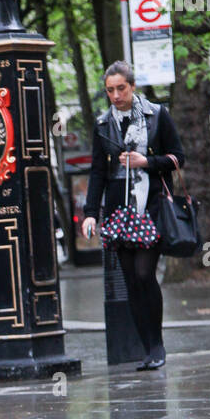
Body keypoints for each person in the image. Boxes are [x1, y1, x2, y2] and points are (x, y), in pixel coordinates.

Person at [81, 60, 185, 370]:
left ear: (133, 86)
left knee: (144, 274)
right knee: (130, 281)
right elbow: (98, 172)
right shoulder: (103, 125)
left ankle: (157, 344)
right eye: (110, 90)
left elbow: (179, 157)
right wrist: (90, 214)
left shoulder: (157, 115)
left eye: (121, 88)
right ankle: (147, 349)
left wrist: (146, 163)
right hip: (118, 211)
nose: (115, 95)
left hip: (150, 206)